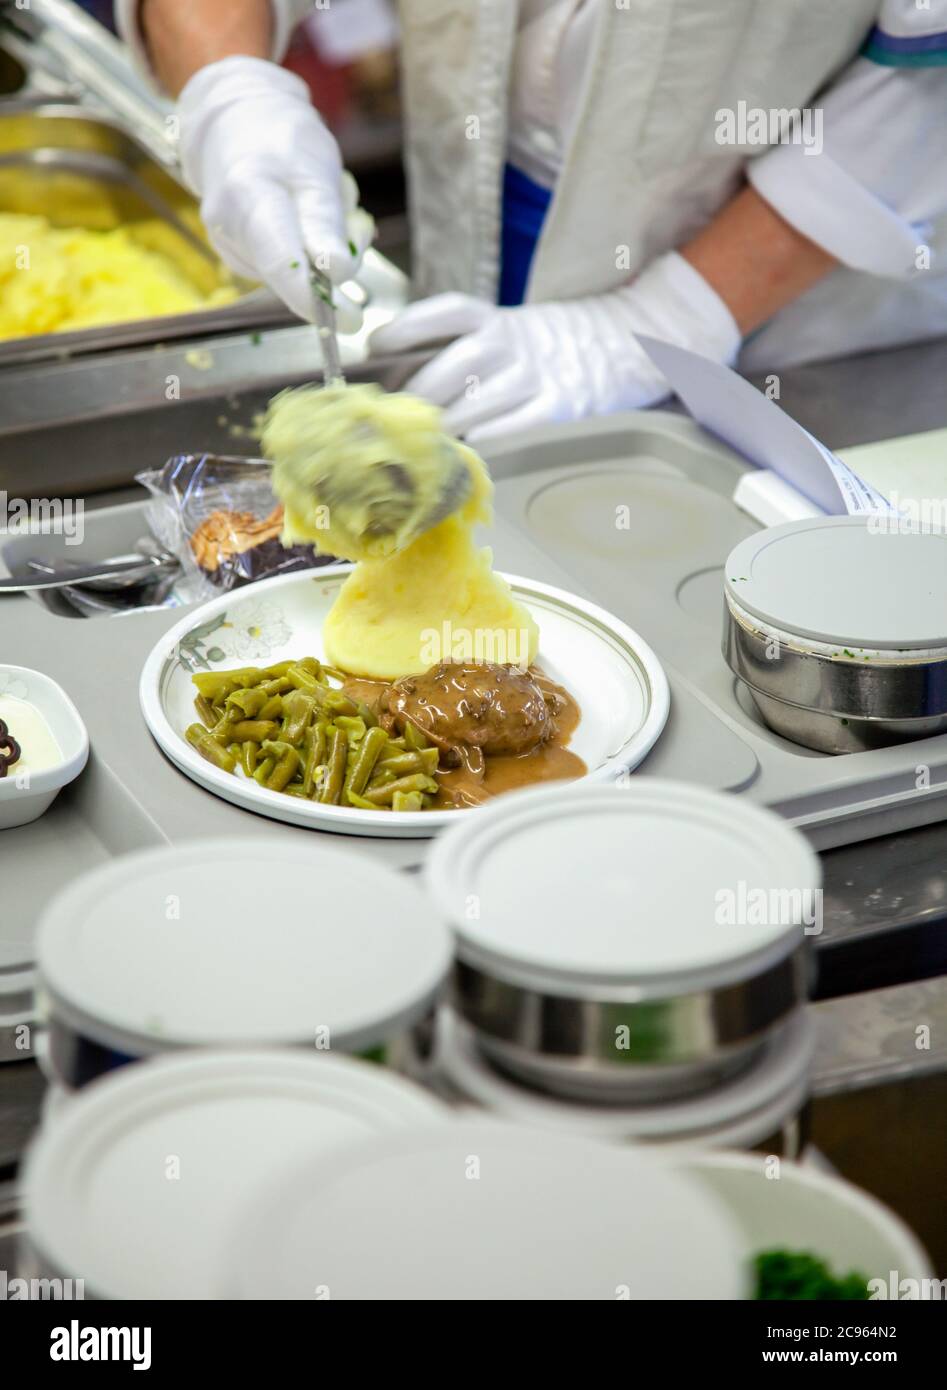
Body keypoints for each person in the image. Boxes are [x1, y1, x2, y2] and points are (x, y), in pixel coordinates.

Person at [118, 0, 947, 442]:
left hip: (797, 304)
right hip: (481, 209)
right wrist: (230, 89)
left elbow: (924, 69)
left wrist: (672, 315)